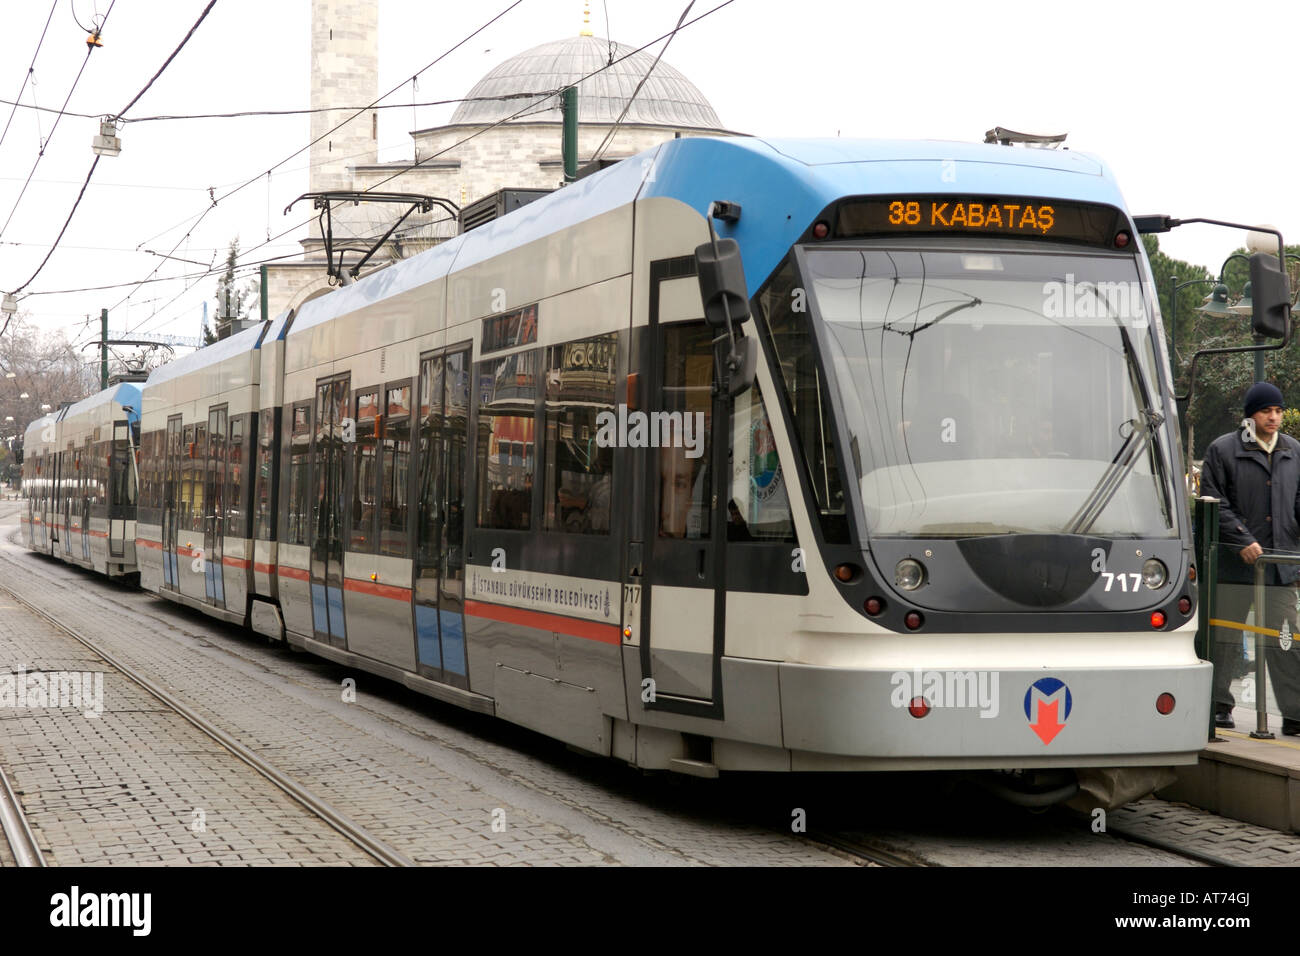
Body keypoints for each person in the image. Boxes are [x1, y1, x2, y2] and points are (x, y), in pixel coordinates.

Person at [1200, 382, 1300, 733]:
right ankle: (1218, 707)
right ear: (1250, 415)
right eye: (1265, 411)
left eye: (1277, 410)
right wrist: (1241, 539)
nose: (1273, 417)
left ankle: (1295, 714)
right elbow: (1213, 502)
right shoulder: (1222, 450)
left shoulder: (1294, 451)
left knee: (1287, 639)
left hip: (1280, 567)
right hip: (1234, 566)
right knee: (1225, 640)